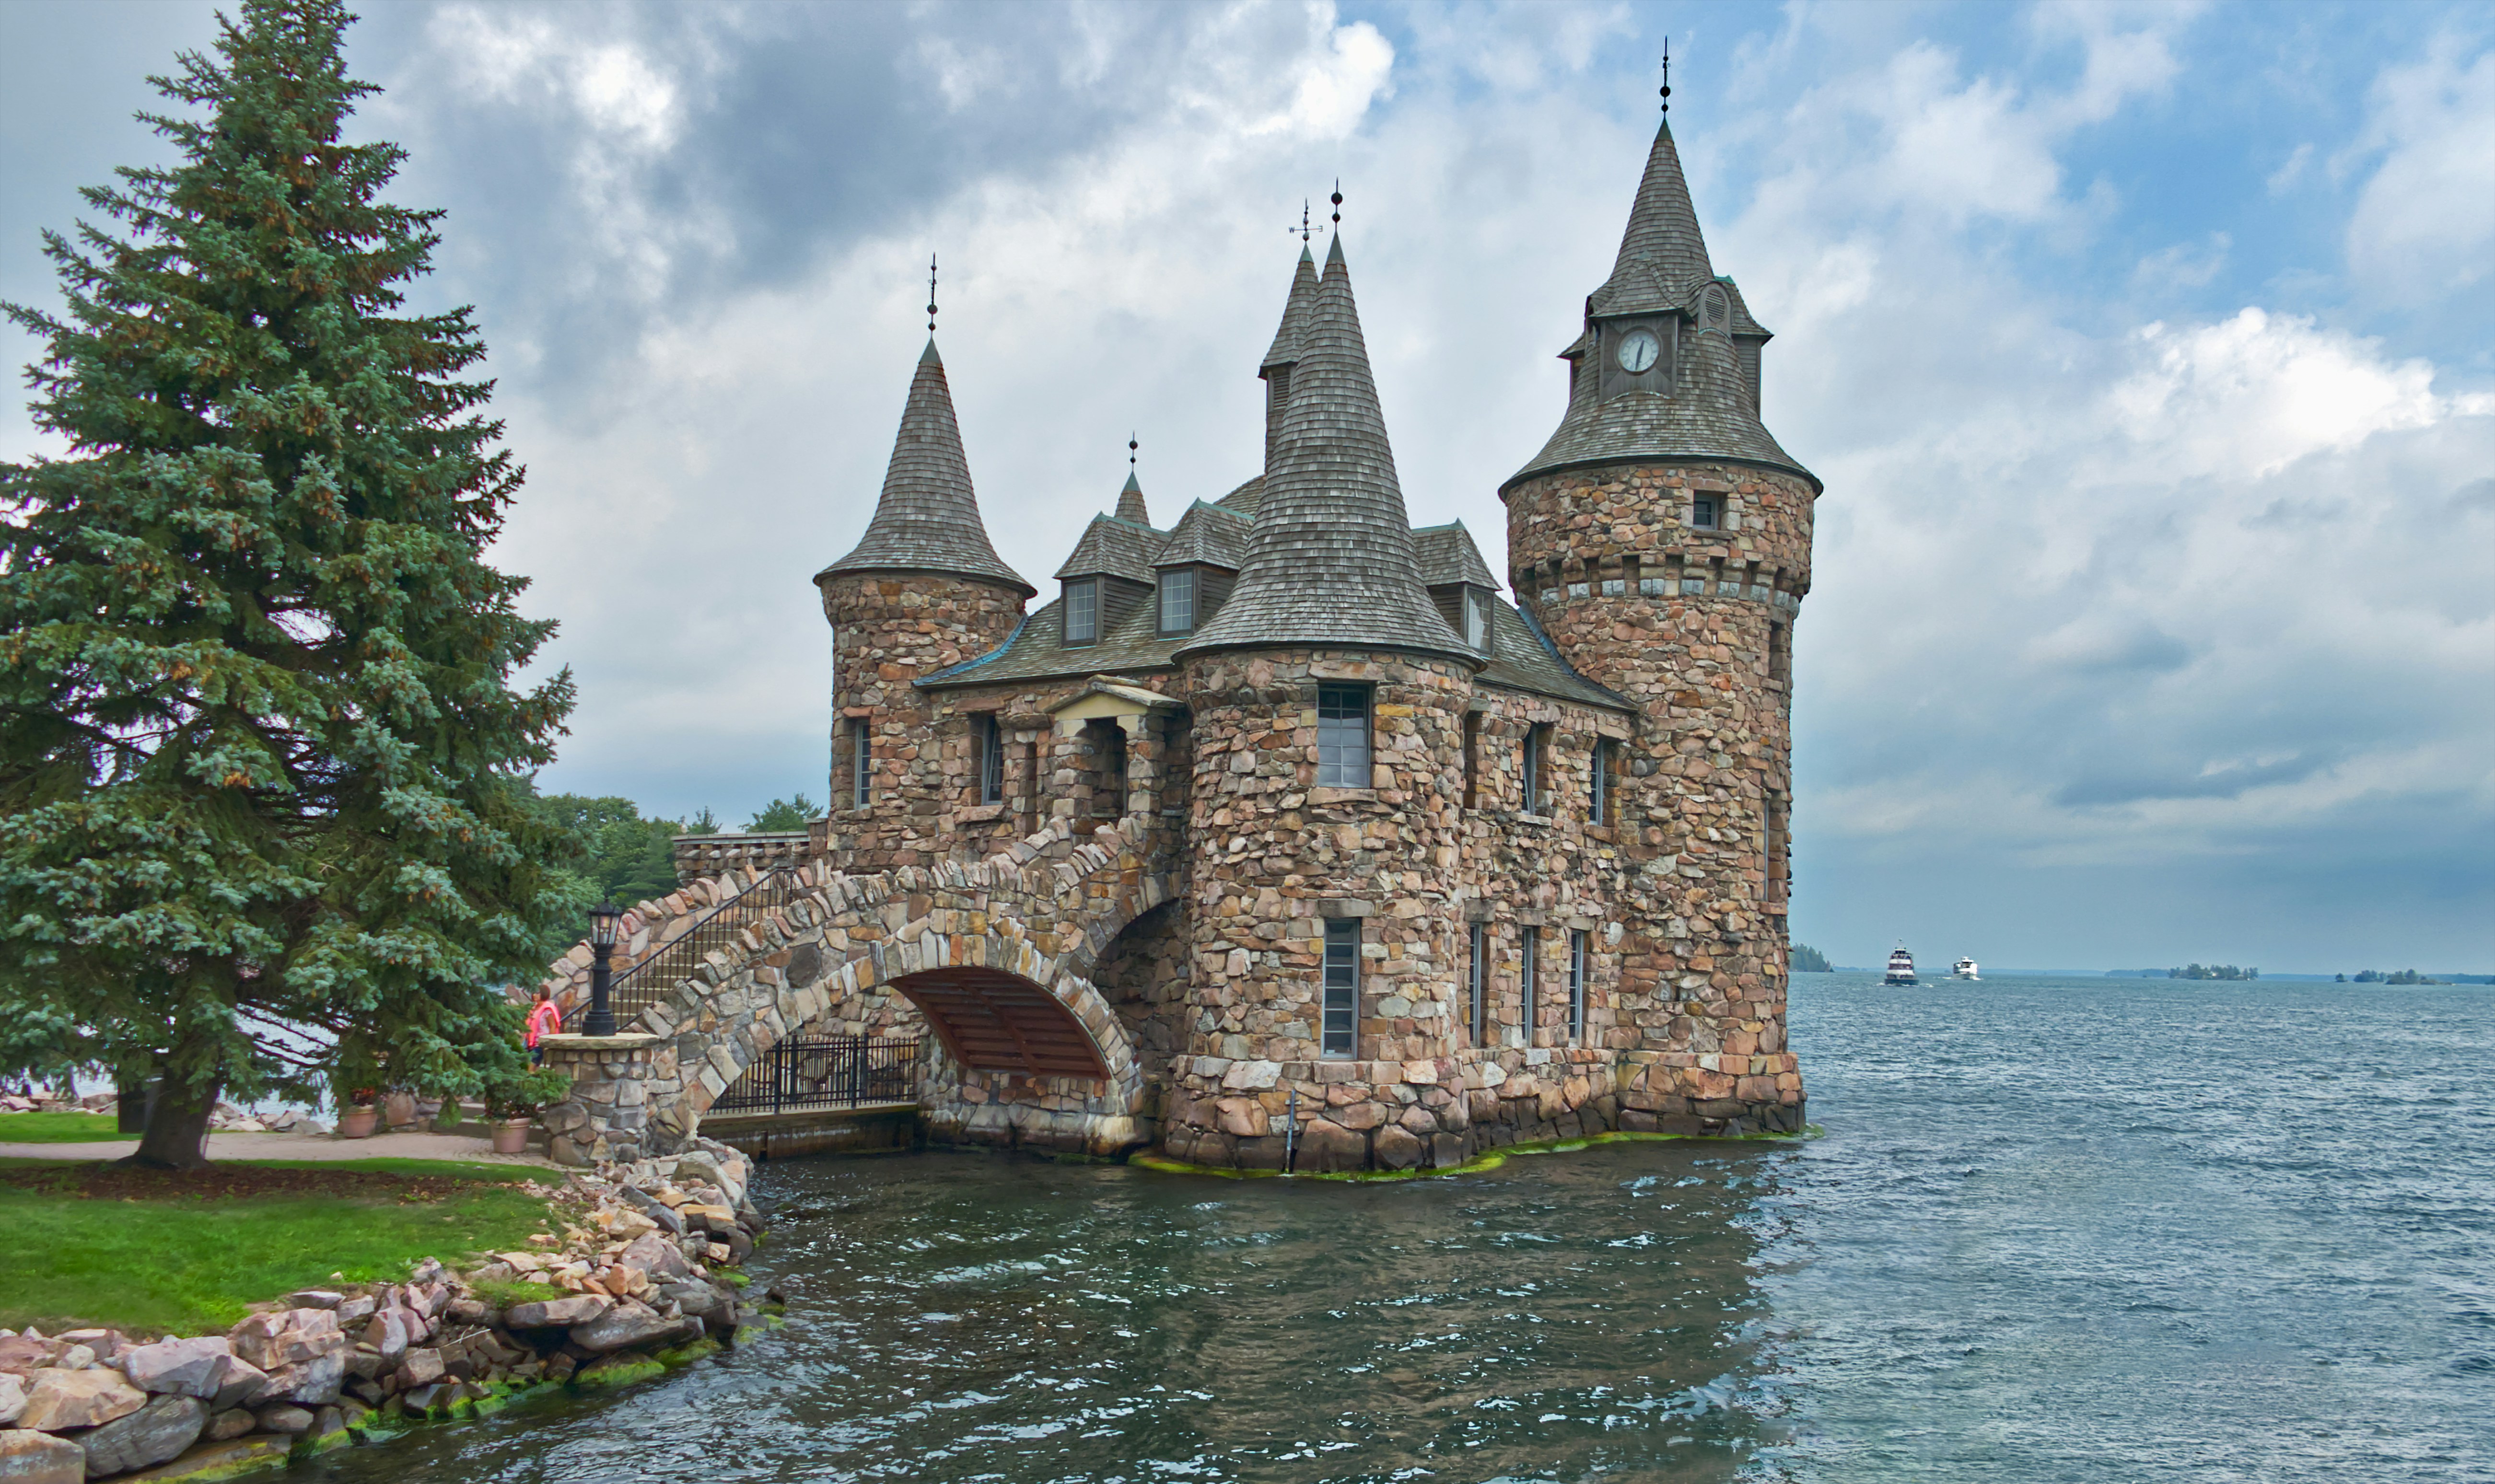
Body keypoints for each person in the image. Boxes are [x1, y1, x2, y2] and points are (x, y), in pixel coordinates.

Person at [525, 987, 563, 1065]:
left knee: (532, 1067)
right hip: (531, 1043)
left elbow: (553, 1026)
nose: (535, 995)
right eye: (534, 993)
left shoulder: (548, 1009)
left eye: (538, 993)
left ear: (544, 993)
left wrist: (549, 1043)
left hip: (541, 1043)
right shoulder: (533, 1009)